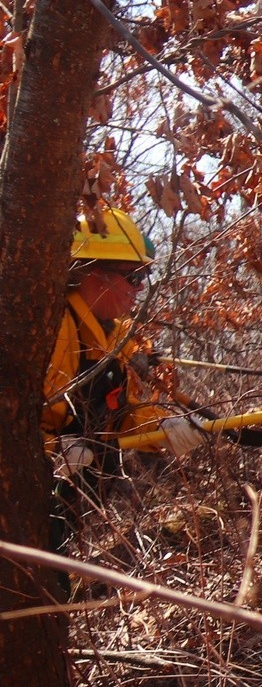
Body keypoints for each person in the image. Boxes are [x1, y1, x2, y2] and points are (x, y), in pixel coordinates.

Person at [45, 209, 209, 549]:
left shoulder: (110, 336)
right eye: (133, 277)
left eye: (145, 276)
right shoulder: (56, 329)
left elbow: (118, 410)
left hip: (67, 506)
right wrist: (50, 453)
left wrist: (162, 427)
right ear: (91, 273)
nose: (140, 289)